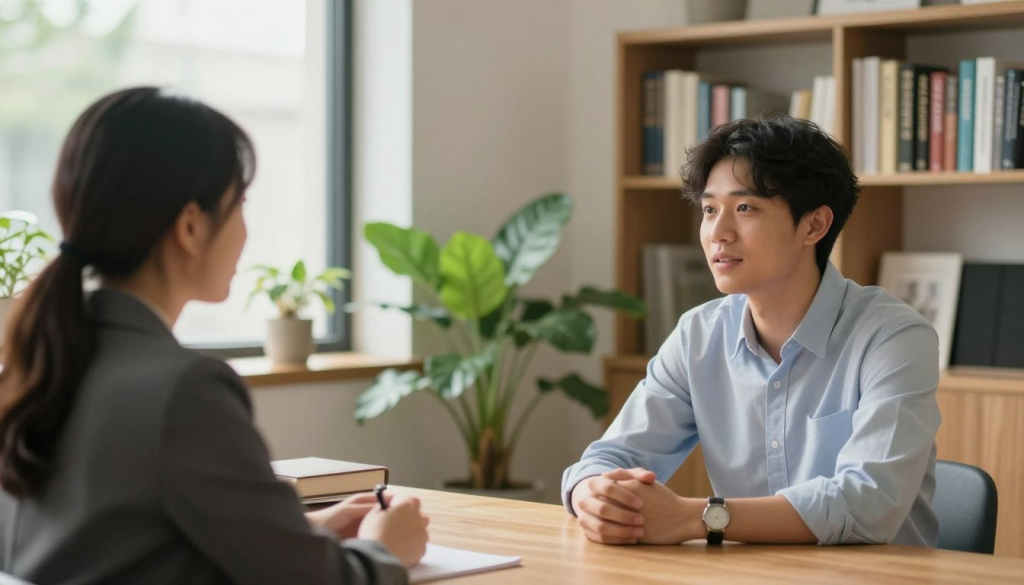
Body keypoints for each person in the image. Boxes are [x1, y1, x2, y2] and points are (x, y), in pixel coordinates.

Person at [0, 87, 428, 584]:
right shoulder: (185, 390)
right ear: (190, 227)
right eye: (239, 202)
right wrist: (382, 550)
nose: (246, 228)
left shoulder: (41, 364)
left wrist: (306, 531)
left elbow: (120, 546)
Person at [562, 115, 941, 548]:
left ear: (814, 225)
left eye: (745, 208)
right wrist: (593, 493)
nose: (718, 233)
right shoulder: (699, 335)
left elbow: (869, 503)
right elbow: (610, 457)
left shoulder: (894, 338)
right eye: (709, 210)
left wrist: (698, 517)